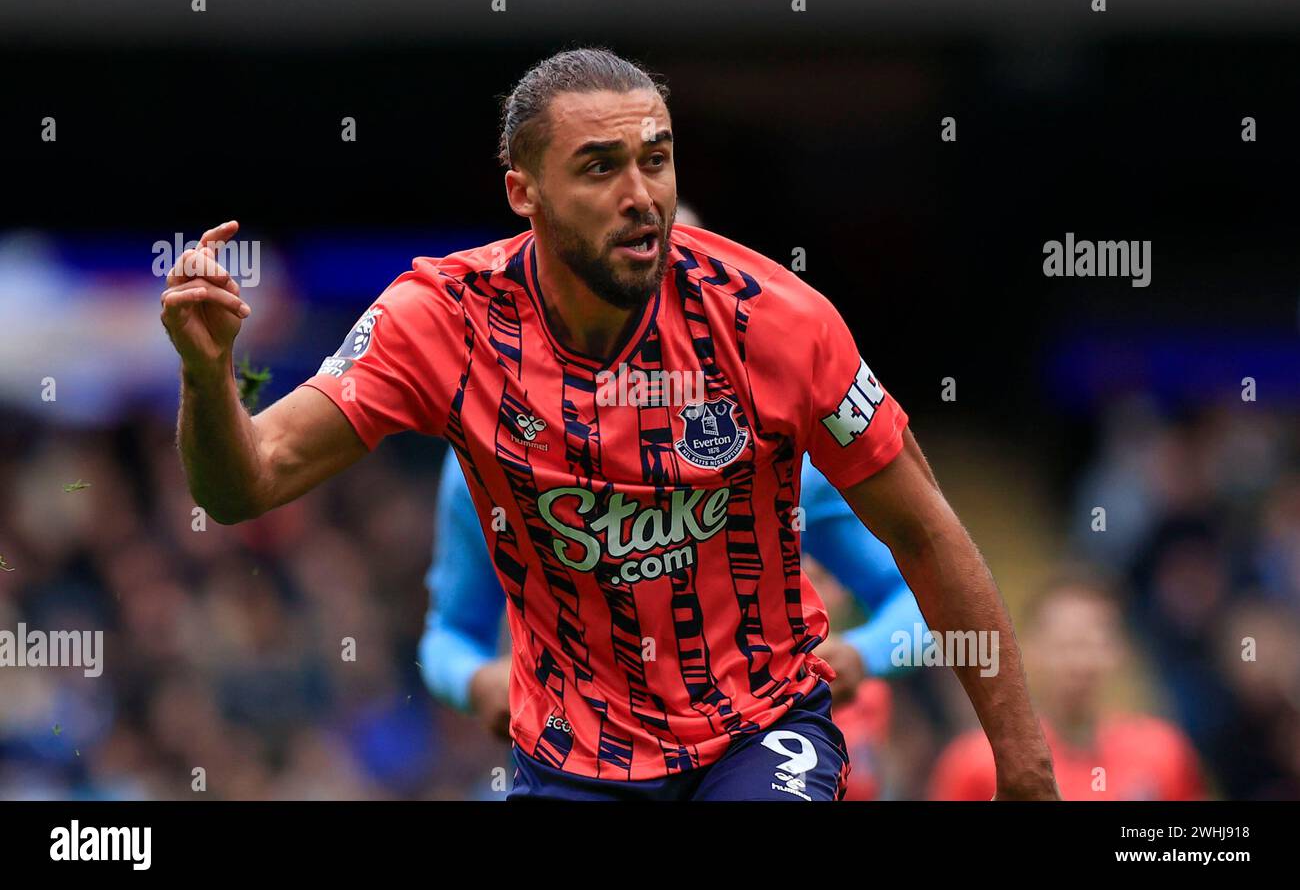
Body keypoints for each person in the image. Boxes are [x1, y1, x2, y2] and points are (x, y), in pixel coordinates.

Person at [161, 47, 1057, 800]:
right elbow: (246, 484)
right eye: (600, 166)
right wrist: (208, 377)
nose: (643, 195)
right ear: (524, 192)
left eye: (657, 160)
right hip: (569, 759)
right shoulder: (441, 322)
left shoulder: (775, 320)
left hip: (760, 731)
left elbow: (926, 534)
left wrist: (1024, 768)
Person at [418, 448, 928, 741]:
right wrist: (476, 681)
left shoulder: (771, 428)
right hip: (578, 755)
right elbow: (450, 632)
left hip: (755, 742)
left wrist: (863, 655)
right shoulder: (486, 450)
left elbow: (926, 607)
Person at [929, 573, 1204, 800]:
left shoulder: (1164, 752)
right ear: (1028, 653)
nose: (1079, 662)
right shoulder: (978, 762)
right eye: (1064, 645)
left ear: (1118, 651)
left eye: (1092, 644)